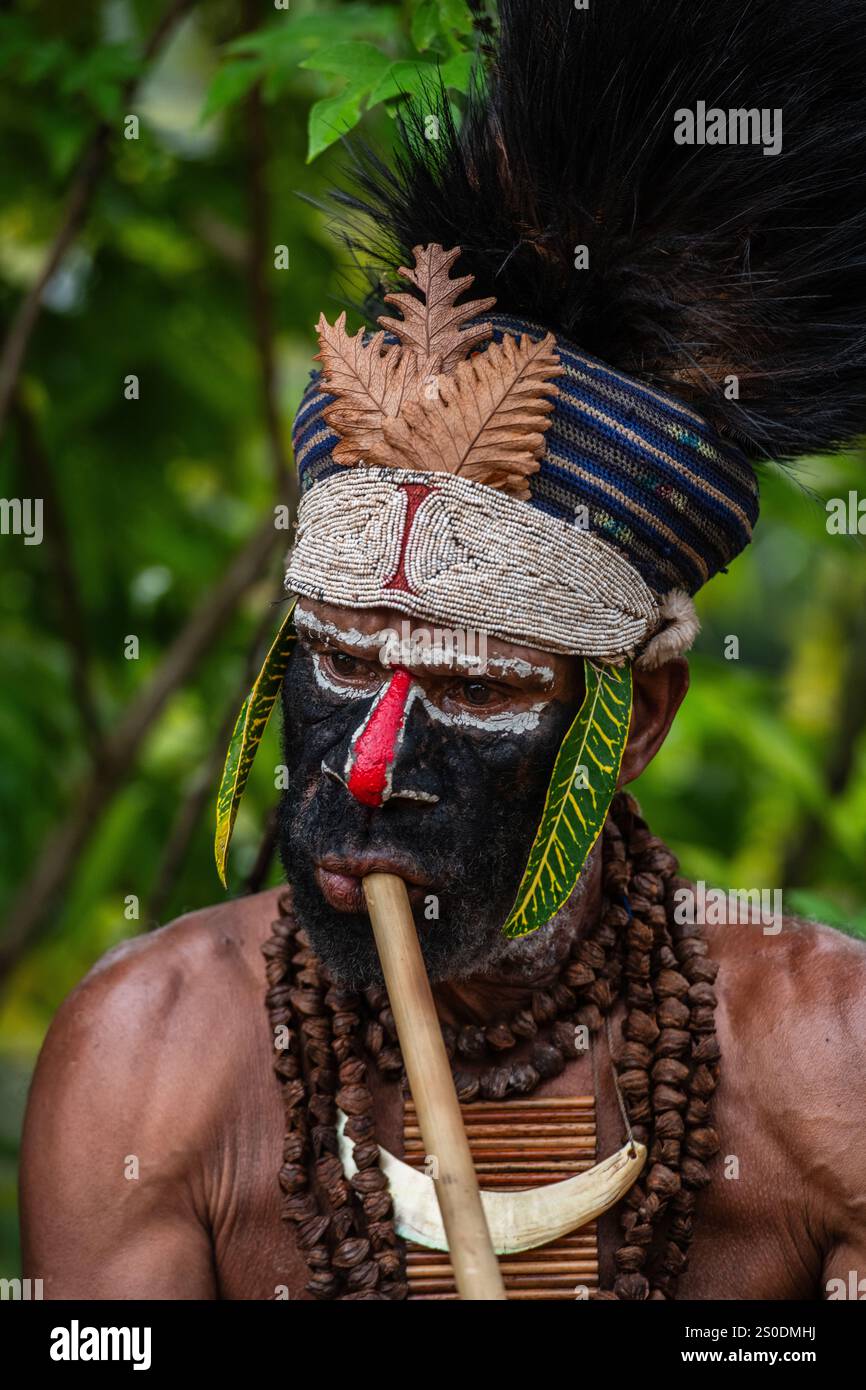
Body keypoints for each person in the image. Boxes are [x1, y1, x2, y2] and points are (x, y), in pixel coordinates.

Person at [20, 0, 866, 1300]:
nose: (364, 766)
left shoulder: (825, 1067)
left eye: (472, 685)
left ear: (634, 719)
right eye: (344, 663)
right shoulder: (153, 1055)